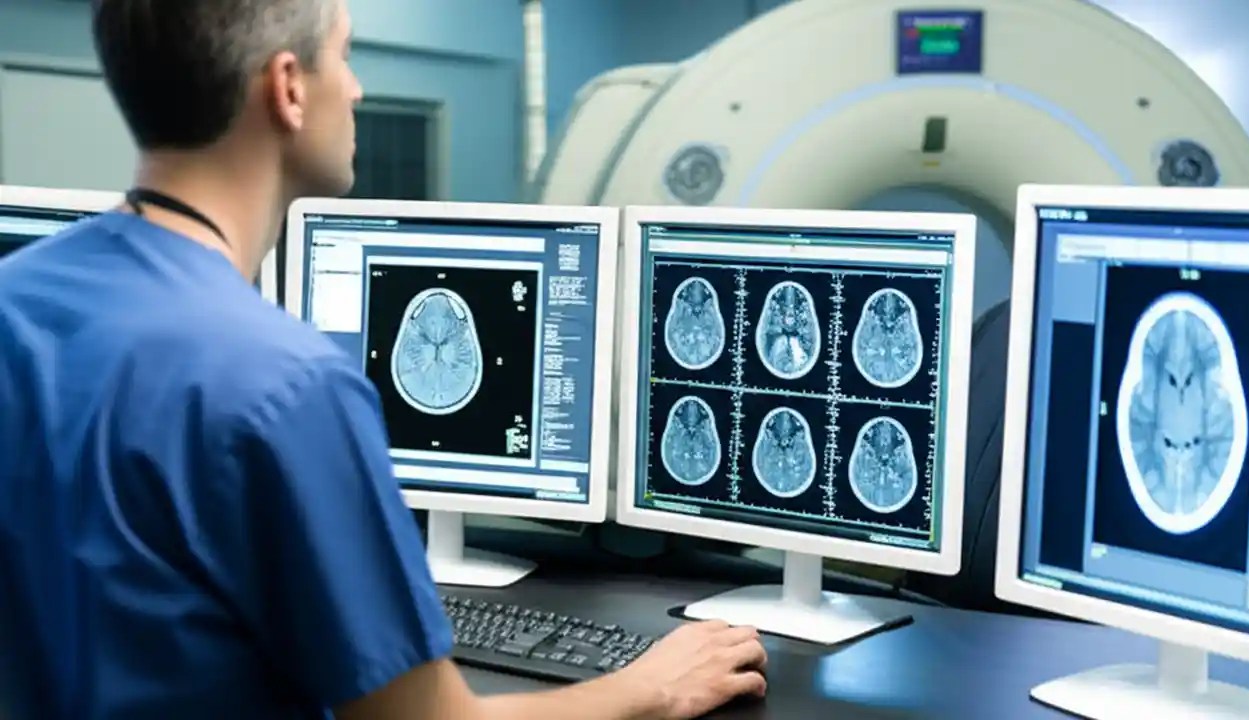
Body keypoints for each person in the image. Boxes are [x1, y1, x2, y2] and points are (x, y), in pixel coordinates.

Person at [0, 1, 768, 718]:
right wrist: (648, 689)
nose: (359, 89)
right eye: (345, 55)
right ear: (289, 89)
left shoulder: (14, 300)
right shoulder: (284, 385)